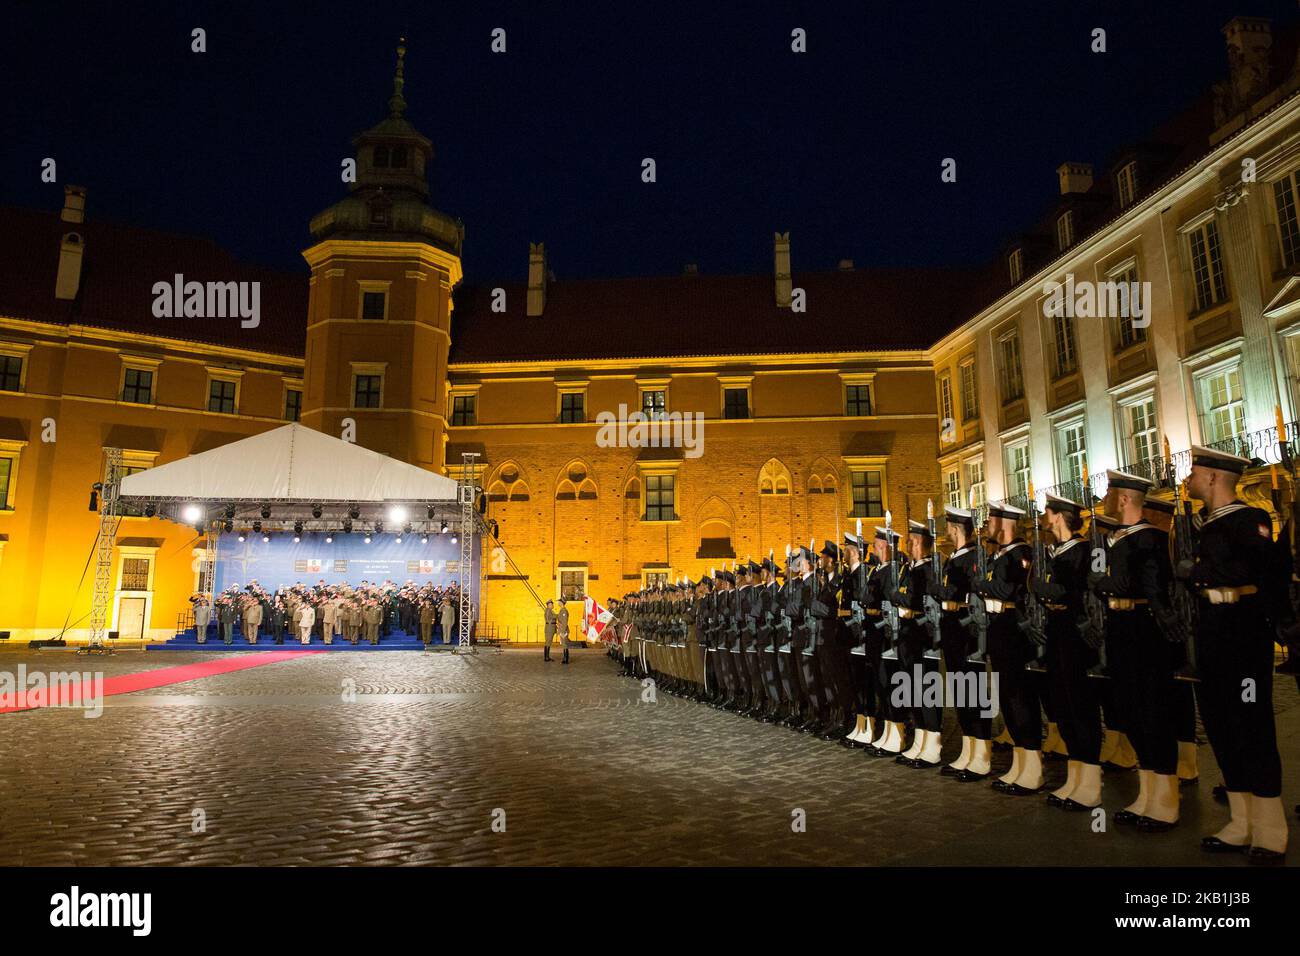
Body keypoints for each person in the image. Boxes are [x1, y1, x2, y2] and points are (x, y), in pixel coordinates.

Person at [1183, 445, 1291, 864]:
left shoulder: (1251, 519)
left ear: (1213, 477)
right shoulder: (1202, 525)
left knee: (1252, 726)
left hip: (1243, 635)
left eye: (1194, 472)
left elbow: (1261, 570)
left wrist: (1200, 572)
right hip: (1211, 632)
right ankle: (1242, 820)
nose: (1188, 479)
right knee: (1222, 725)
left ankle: (1270, 827)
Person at [1091, 470, 1183, 832]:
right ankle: (1148, 794)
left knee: (1152, 713)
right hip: (1119, 628)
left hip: (1144, 630)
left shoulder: (1151, 540)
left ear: (1125, 498)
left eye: (1111, 492)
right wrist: (1106, 581)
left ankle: (1167, 799)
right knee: (1130, 711)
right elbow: (1097, 581)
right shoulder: (1113, 540)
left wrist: (1106, 582)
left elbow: (1134, 583)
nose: (1106, 497)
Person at [1032, 493, 1104, 810]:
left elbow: (1085, 589)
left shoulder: (1084, 550)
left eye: (1048, 511)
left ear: (1060, 516)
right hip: (1057, 632)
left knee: (1081, 706)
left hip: (1076, 634)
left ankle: (1090, 782)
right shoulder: (1054, 552)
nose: (1044, 515)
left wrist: (1048, 591)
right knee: (1062, 706)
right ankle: (1075, 778)